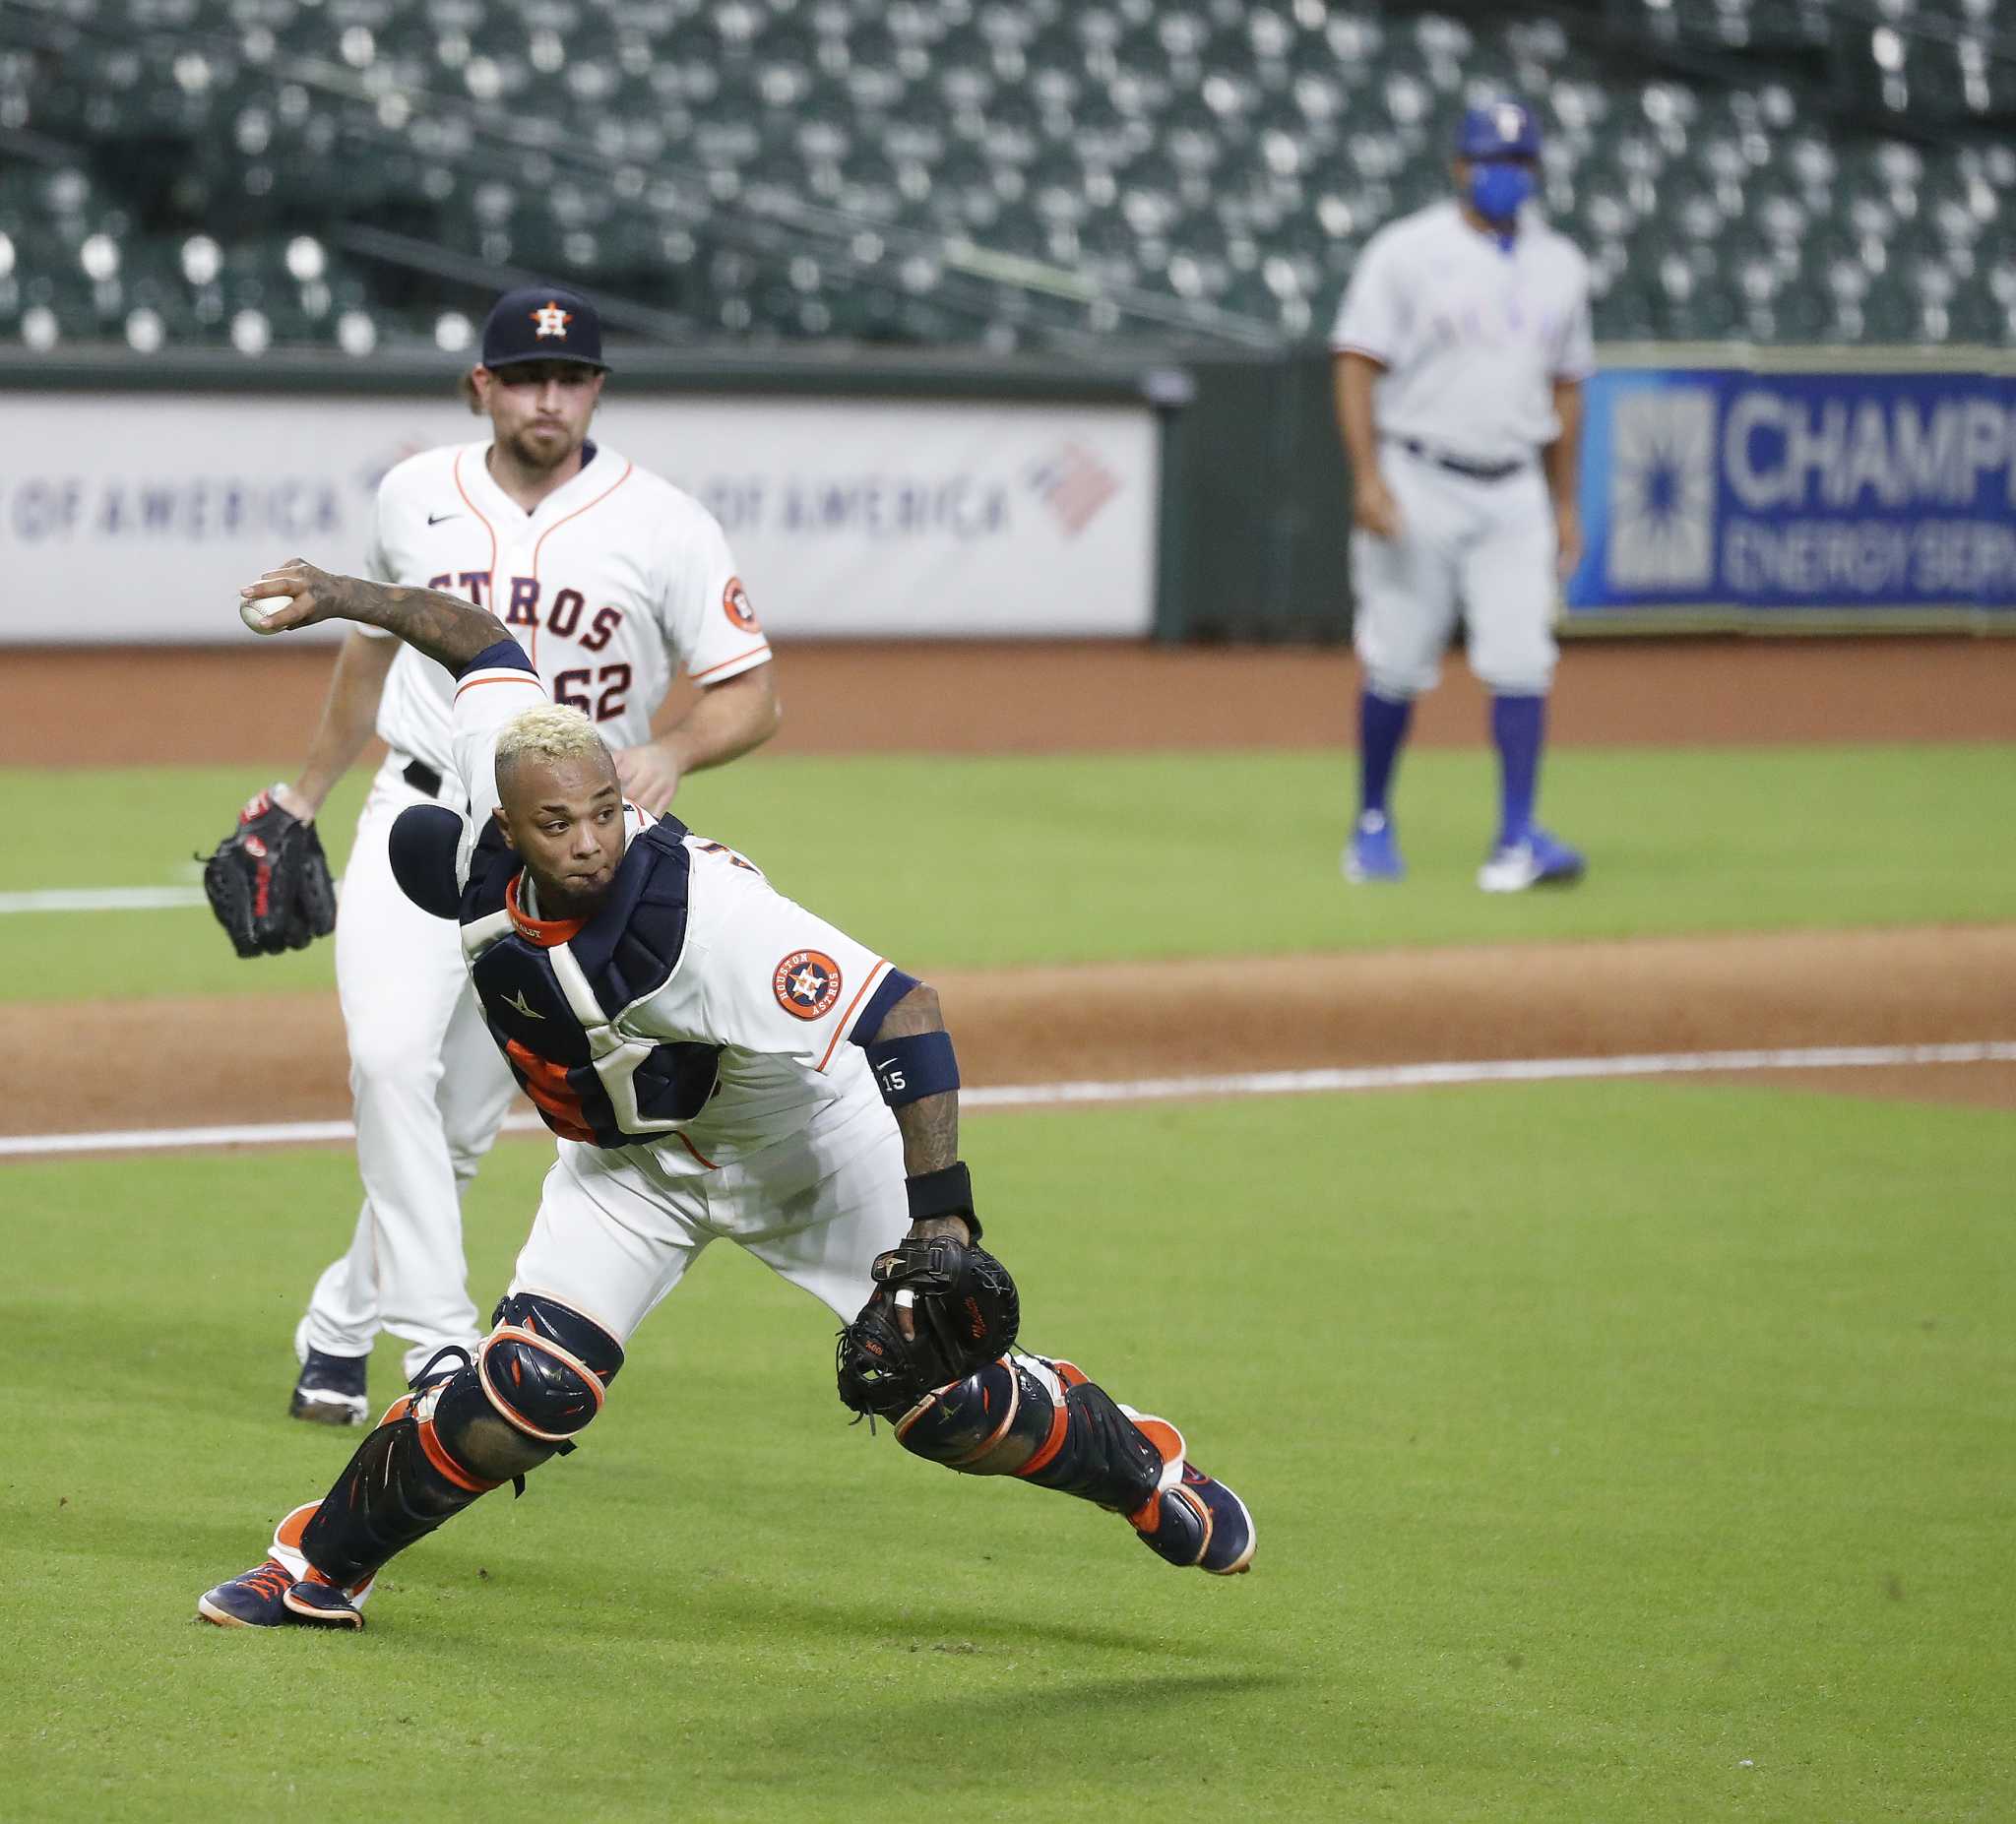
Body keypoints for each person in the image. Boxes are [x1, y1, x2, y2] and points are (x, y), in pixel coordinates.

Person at [197, 560, 1255, 1630]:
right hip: (632, 1169)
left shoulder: (701, 920)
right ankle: (314, 1570)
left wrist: (942, 1222)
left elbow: (907, 1014)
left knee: (948, 1399)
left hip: (801, 1144)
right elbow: (478, 639)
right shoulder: (498, 772)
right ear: (507, 822)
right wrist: (344, 593)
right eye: (559, 823)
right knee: (526, 1391)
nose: (590, 840)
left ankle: (1144, 1474)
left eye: (606, 813)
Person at [240, 284, 780, 1426]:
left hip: (565, 856)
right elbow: (370, 660)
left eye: (574, 377)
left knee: (462, 1128)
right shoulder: (414, 493)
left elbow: (753, 693)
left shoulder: (666, 523)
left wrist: (673, 749)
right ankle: (438, 1345)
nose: (552, 395)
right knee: (389, 1060)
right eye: (528, 376)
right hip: (422, 820)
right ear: (480, 385)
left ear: (595, 390)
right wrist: (304, 790)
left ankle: (338, 1326)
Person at [1330, 99, 1594, 892]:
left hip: (1514, 485)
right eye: (1490, 161)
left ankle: (1517, 838)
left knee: (1523, 662)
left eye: (1517, 163)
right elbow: (1354, 360)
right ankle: (1372, 822)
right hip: (1420, 475)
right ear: (1458, 167)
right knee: (1397, 662)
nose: (1504, 175)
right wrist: (1368, 475)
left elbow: (1569, 387)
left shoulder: (1563, 264)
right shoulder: (1406, 252)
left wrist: (1566, 501)